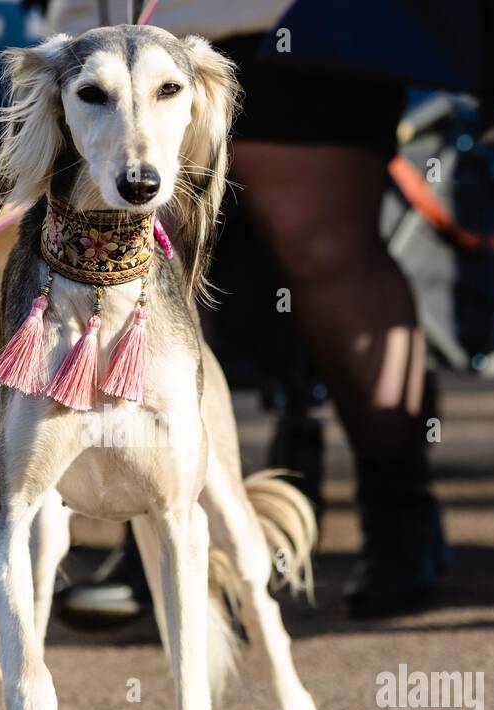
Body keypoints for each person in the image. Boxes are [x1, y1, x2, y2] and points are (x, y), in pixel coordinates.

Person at [47, 0, 447, 621]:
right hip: (116, 30)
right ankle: (151, 529)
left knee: (326, 248)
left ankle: (400, 512)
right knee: (135, 261)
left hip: (294, 19)